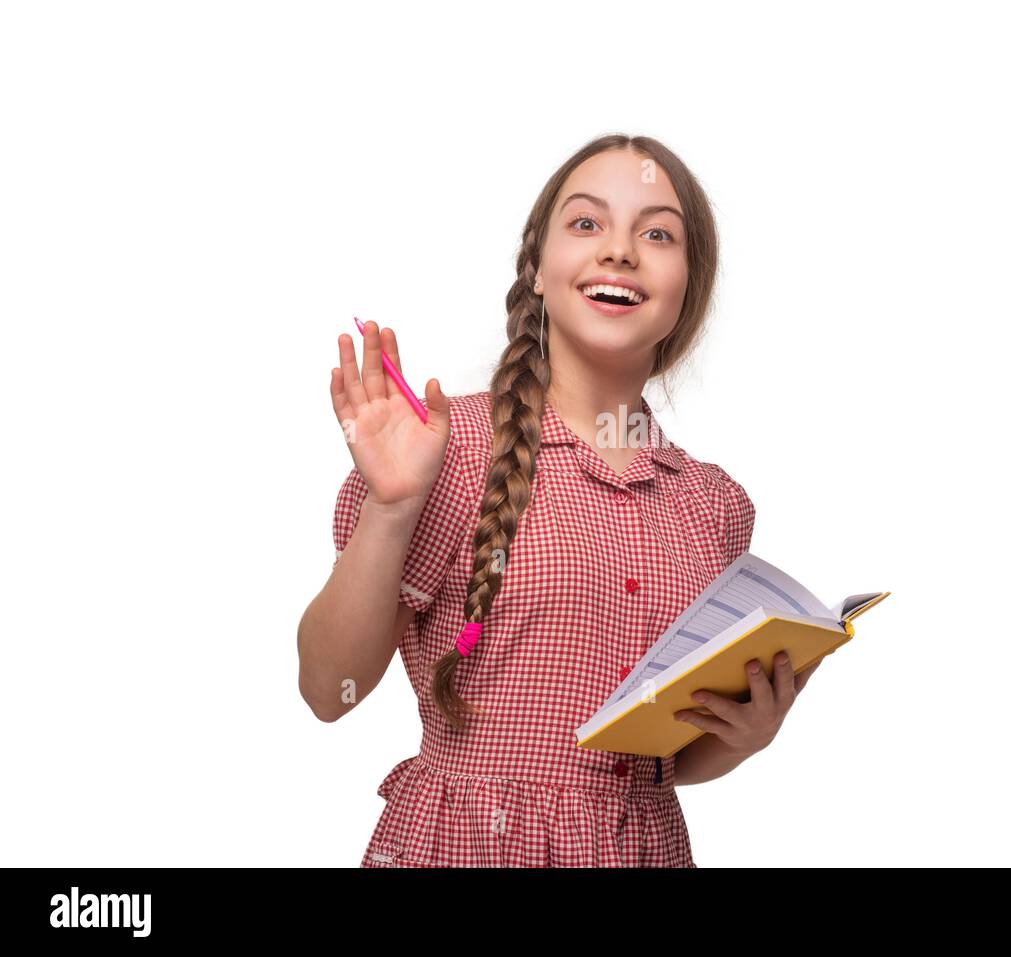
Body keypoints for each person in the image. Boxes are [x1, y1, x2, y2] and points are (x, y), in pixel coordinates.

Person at [299, 133, 820, 867]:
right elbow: (329, 690)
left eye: (658, 233)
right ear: (537, 271)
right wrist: (390, 508)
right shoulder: (445, 451)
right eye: (586, 223)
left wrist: (743, 739)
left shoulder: (712, 506)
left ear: (687, 290)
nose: (619, 249)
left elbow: (665, 757)